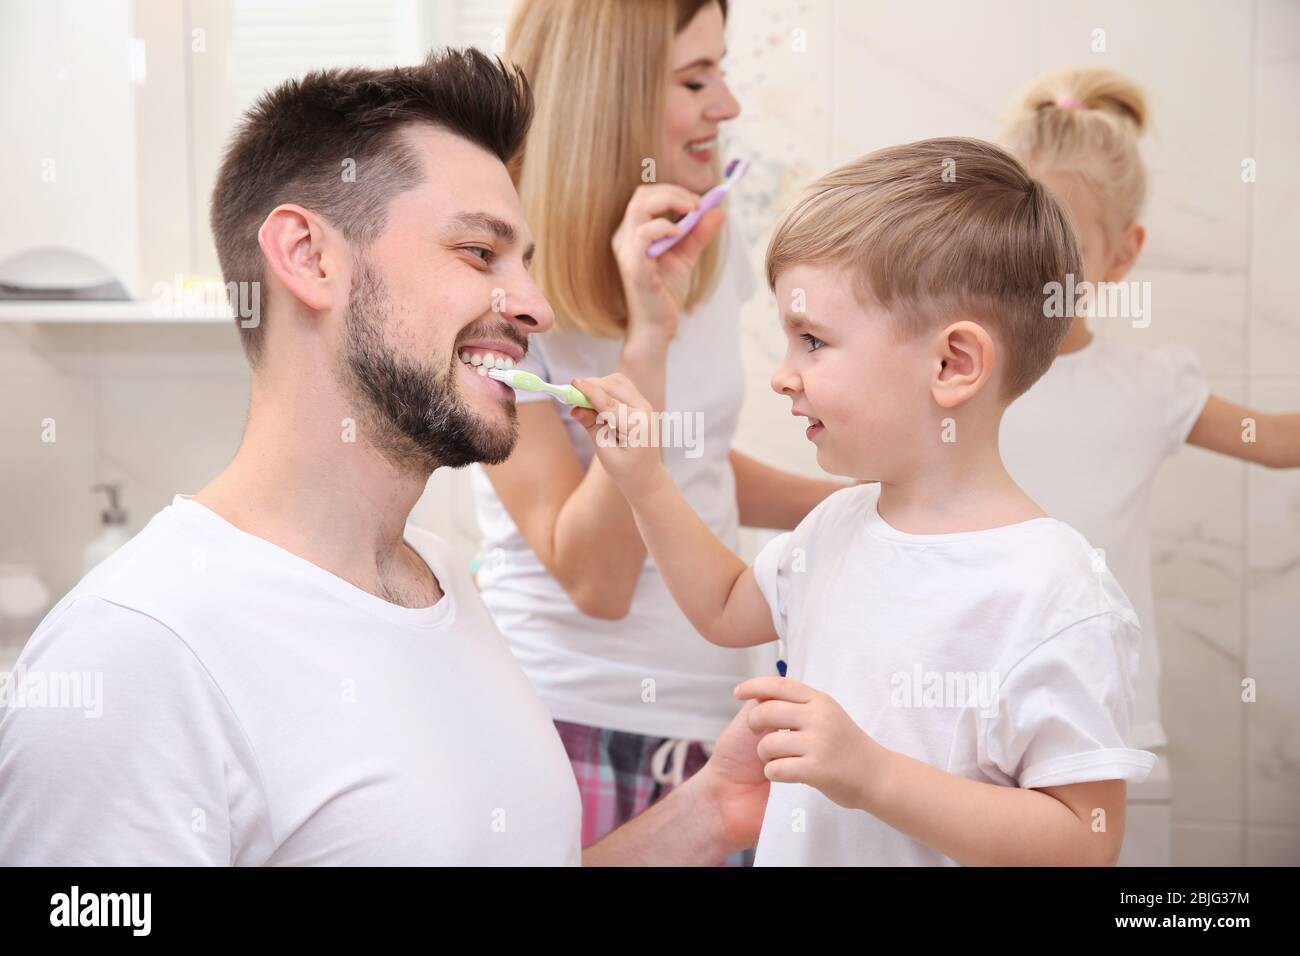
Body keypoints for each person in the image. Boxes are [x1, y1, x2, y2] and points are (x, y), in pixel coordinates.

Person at [0, 49, 769, 866]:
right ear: (308, 257)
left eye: (526, 265)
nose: (536, 309)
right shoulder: (140, 652)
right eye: (480, 253)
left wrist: (710, 813)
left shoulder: (441, 588)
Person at [569, 138, 1158, 865]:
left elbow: (1084, 839)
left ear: (952, 364)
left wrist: (874, 775)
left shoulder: (1053, 588)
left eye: (813, 341)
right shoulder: (839, 525)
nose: (783, 377)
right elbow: (725, 606)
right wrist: (644, 480)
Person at [473, 0, 842, 850]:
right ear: (608, 96)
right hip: (578, 724)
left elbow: (694, 460)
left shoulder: (701, 247)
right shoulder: (504, 301)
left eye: (723, 69)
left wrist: (871, 500)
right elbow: (595, 578)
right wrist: (647, 339)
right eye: (694, 79)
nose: (728, 105)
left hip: (715, 721)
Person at [997, 68, 1300, 862]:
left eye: (1061, 236)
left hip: (1102, 731)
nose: (1031, 259)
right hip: (969, 723)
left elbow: (1276, 441)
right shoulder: (955, 374)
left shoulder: (1149, 387)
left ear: (1121, 254)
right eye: (1013, 227)